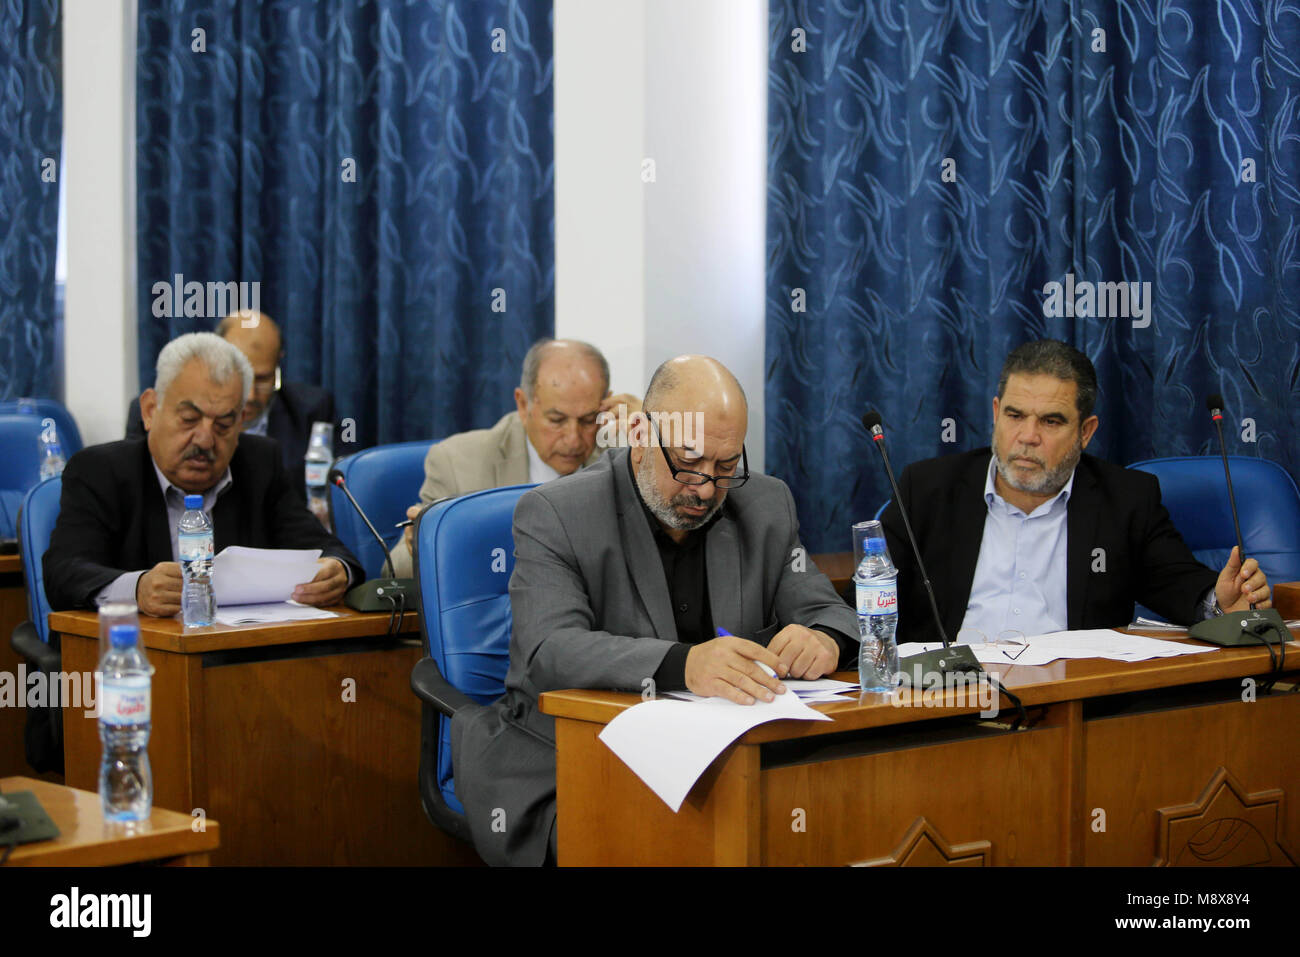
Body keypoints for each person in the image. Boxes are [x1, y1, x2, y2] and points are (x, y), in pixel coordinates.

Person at [451, 355, 858, 866]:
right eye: (688, 463)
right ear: (641, 436)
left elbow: (829, 609)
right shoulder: (557, 513)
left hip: (724, 759)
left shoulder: (765, 505)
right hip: (581, 752)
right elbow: (548, 650)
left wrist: (824, 638)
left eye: (726, 466)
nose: (706, 488)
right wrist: (684, 664)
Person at [879, 339, 1271, 644]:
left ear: (1086, 432)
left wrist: (1220, 604)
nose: (1027, 437)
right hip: (947, 702)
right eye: (1015, 416)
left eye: (1051, 421)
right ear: (996, 413)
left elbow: (1180, 585)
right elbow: (869, 602)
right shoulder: (927, 489)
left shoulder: (1126, 499)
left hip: (1072, 702)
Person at [46, 332, 363, 615]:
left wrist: (337, 571)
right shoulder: (101, 471)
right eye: (188, 419)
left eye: (224, 425)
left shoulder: (259, 463)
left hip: (236, 654)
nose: (205, 440)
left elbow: (327, 549)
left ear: (240, 425)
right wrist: (137, 588)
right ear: (150, 410)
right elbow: (64, 572)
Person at [388, 337, 640, 577]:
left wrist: (651, 433)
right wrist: (421, 546)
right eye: (556, 420)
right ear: (523, 405)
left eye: (587, 420)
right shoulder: (457, 462)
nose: (573, 439)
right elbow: (393, 571)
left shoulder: (623, 457)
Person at [125, 311, 336, 473]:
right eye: (242, 379)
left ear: (279, 362)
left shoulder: (313, 409)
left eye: (262, 379)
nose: (250, 395)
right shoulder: (160, 410)